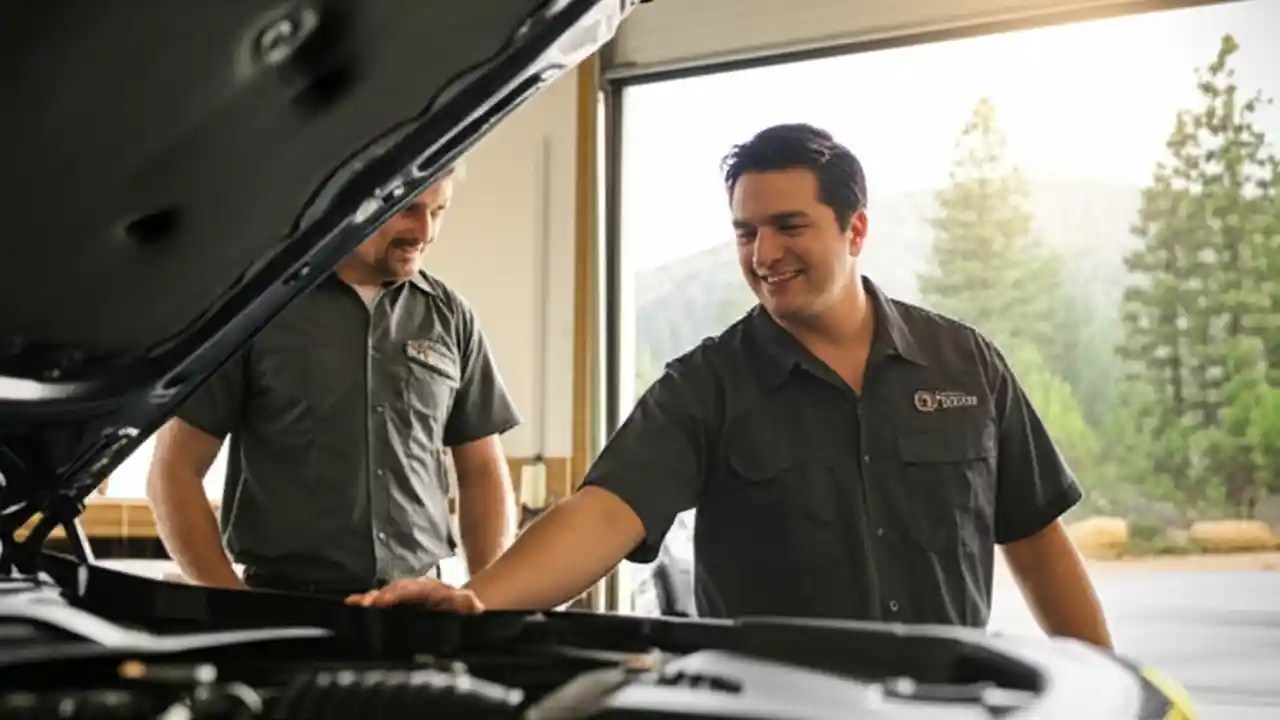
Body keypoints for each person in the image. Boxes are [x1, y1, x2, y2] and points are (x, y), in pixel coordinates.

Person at [348, 124, 1113, 649]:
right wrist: (481, 598)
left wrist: (1108, 685)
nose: (764, 252)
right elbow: (601, 515)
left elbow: (1038, 543)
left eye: (789, 226)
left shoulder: (966, 364)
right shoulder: (705, 386)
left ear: (855, 231)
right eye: (746, 232)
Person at [147, 162, 521, 596]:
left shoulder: (450, 318)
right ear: (351, 200)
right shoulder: (256, 312)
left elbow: (481, 473)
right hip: (287, 606)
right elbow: (173, 472)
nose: (424, 232)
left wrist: (486, 600)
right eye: (408, 209)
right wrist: (229, 599)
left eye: (438, 212)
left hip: (417, 607)